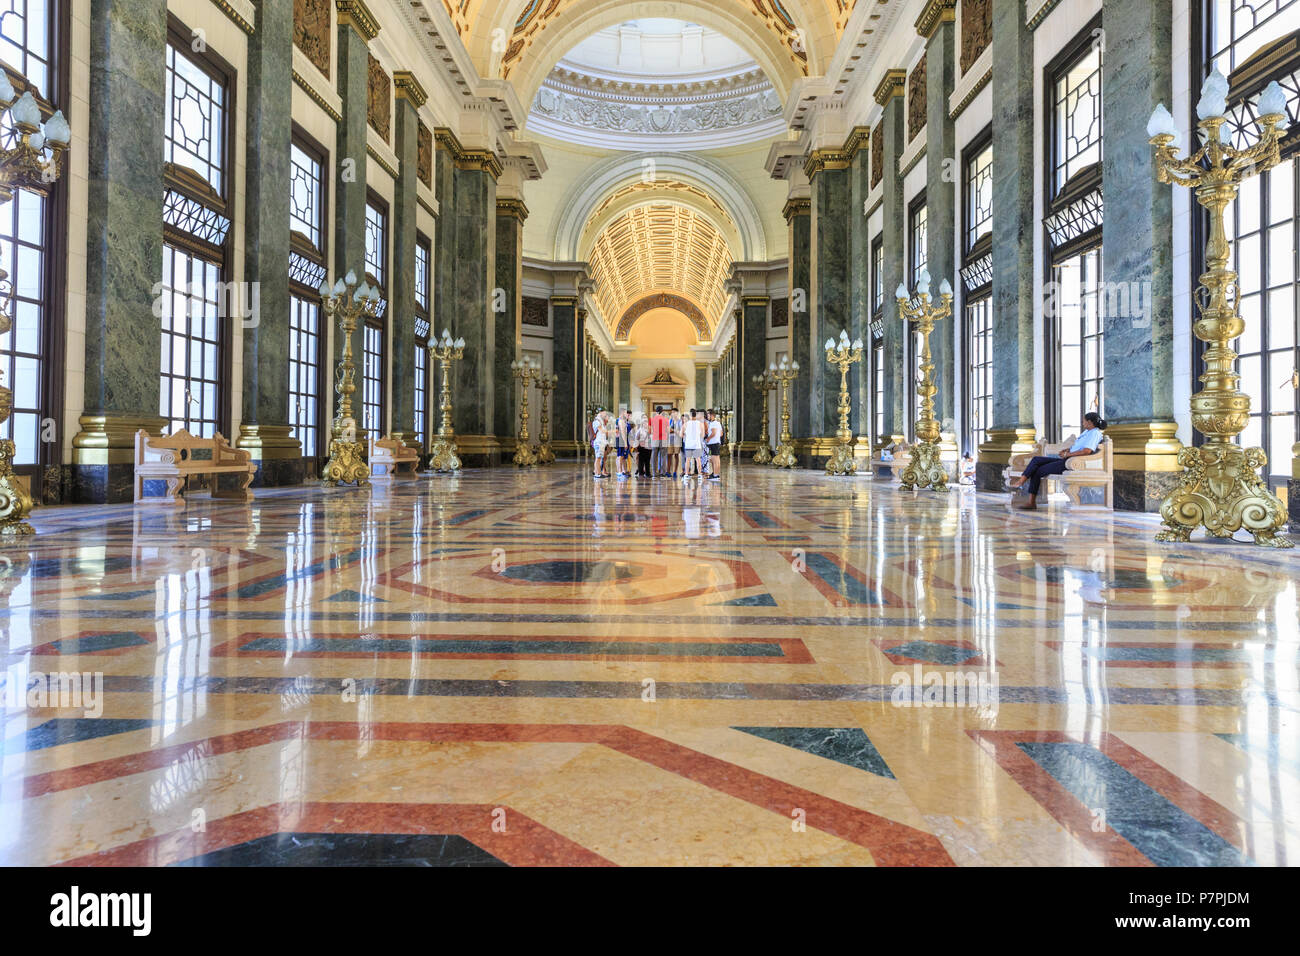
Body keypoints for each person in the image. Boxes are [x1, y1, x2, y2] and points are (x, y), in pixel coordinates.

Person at [1010, 412, 1107, 510]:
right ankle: (1021, 482)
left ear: (1089, 422)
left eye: (1084, 421)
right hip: (1067, 459)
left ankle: (1030, 501)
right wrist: (1067, 450)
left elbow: (1087, 451)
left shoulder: (1095, 433)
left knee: (1037, 470)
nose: (1082, 423)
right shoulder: (1087, 432)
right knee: (1036, 460)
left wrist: (1068, 454)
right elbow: (1078, 447)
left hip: (1072, 463)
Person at [681, 408, 704, 480]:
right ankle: (700, 474)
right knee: (698, 460)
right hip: (697, 444)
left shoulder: (685, 424)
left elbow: (681, 435)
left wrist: (686, 436)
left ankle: (686, 474)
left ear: (690, 415)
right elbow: (702, 435)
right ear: (696, 415)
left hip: (688, 444)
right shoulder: (700, 424)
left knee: (687, 460)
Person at [705, 409, 724, 481]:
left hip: (713, 443)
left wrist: (708, 438)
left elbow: (714, 432)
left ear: (711, 415)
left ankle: (715, 475)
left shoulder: (713, 423)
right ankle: (715, 474)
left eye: (708, 414)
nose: (707, 416)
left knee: (714, 459)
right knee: (716, 459)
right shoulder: (717, 423)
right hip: (716, 442)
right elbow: (721, 433)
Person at [649, 407, 667, 477]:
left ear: (655, 412)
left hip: (655, 438)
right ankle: (662, 472)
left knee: (654, 456)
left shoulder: (652, 419)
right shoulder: (665, 419)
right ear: (662, 412)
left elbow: (649, 431)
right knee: (663, 456)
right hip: (664, 438)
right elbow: (668, 430)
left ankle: (654, 472)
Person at [591, 410, 608, 478]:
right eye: (604, 413)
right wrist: (612, 431)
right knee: (598, 458)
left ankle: (598, 472)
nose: (605, 415)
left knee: (600, 457)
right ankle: (597, 473)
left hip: (601, 442)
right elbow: (602, 431)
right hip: (598, 442)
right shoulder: (596, 421)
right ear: (600, 413)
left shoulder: (601, 421)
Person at [666, 408, 682, 478]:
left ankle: (675, 471)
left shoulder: (680, 421)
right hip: (670, 440)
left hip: (677, 440)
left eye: (674, 412)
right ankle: (668, 471)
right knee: (669, 455)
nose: (673, 413)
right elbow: (667, 430)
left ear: (677, 413)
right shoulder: (669, 421)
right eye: (672, 412)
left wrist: (673, 430)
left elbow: (680, 432)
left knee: (676, 456)